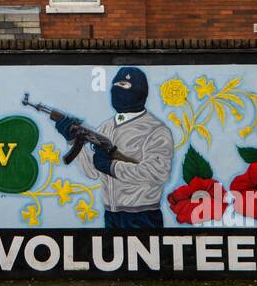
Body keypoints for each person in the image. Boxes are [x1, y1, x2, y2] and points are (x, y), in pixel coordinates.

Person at [57, 67, 174, 229]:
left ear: (139, 91)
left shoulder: (156, 130)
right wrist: (72, 140)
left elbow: (157, 172)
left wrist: (112, 167)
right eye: (115, 84)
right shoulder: (106, 127)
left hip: (142, 216)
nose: (116, 89)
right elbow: (92, 172)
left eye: (123, 84)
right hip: (111, 215)